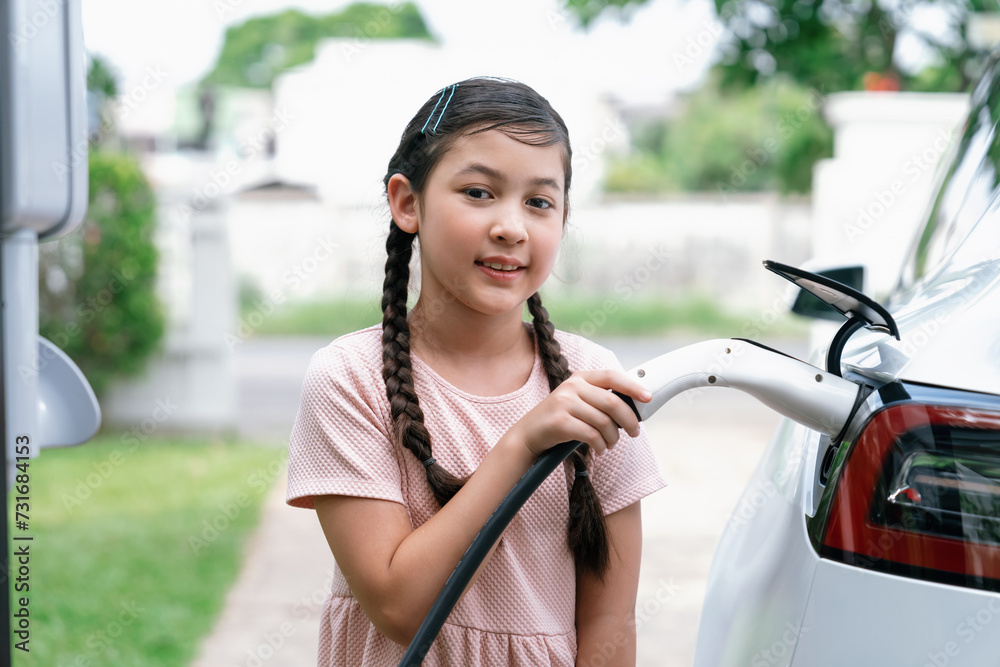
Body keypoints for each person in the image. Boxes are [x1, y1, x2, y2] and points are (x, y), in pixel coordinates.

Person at [286, 76, 667, 667]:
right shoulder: (349, 378)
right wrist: (521, 446)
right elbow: (399, 609)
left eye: (539, 202)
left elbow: (610, 623)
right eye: (479, 192)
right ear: (407, 202)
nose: (511, 226)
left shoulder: (593, 379)